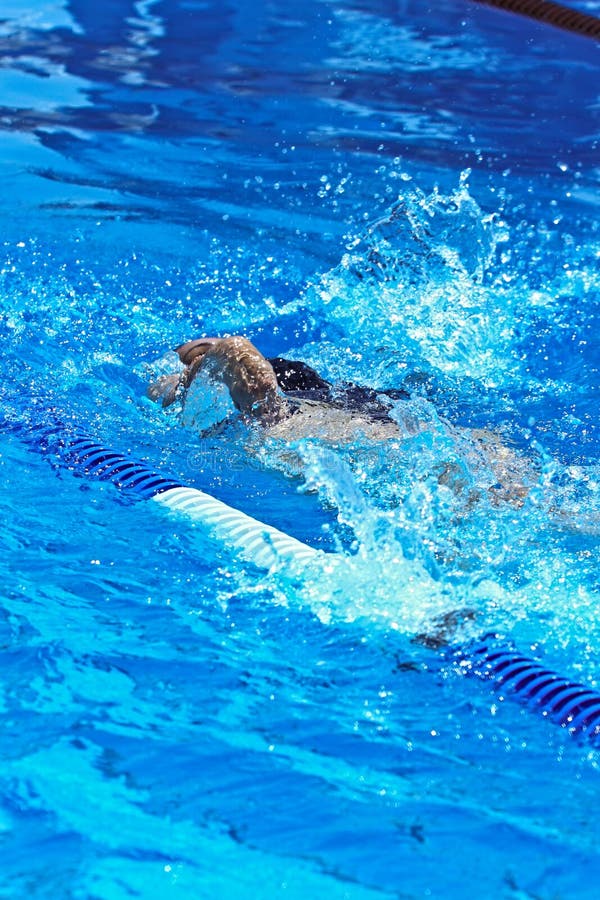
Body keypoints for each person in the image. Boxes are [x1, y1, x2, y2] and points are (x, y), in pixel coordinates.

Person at [148, 334, 534, 506]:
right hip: (371, 404)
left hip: (316, 410)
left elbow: (171, 383)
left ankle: (239, 368)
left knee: (271, 428)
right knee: (493, 476)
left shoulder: (207, 378)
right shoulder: (309, 380)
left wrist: (189, 367)